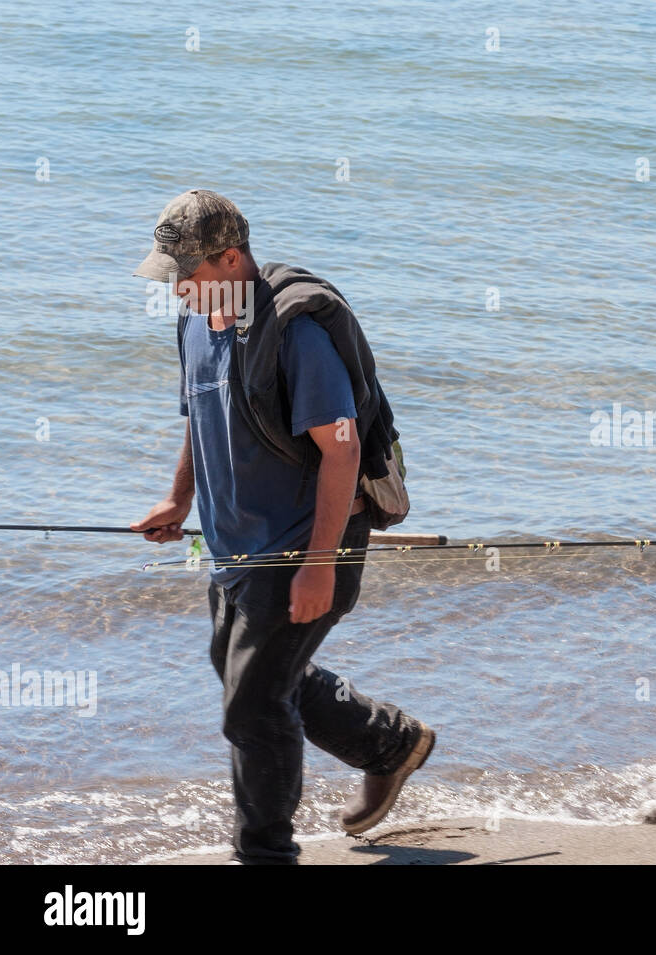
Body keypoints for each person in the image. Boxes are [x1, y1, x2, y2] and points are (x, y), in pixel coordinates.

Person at [130, 189, 433, 864]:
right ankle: (388, 741)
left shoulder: (296, 331)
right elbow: (200, 417)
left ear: (231, 258)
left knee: (252, 709)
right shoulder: (197, 322)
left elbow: (343, 448)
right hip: (234, 545)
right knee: (241, 672)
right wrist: (178, 502)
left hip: (305, 544)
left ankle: (265, 853)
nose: (177, 291)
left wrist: (319, 563)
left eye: (187, 275)